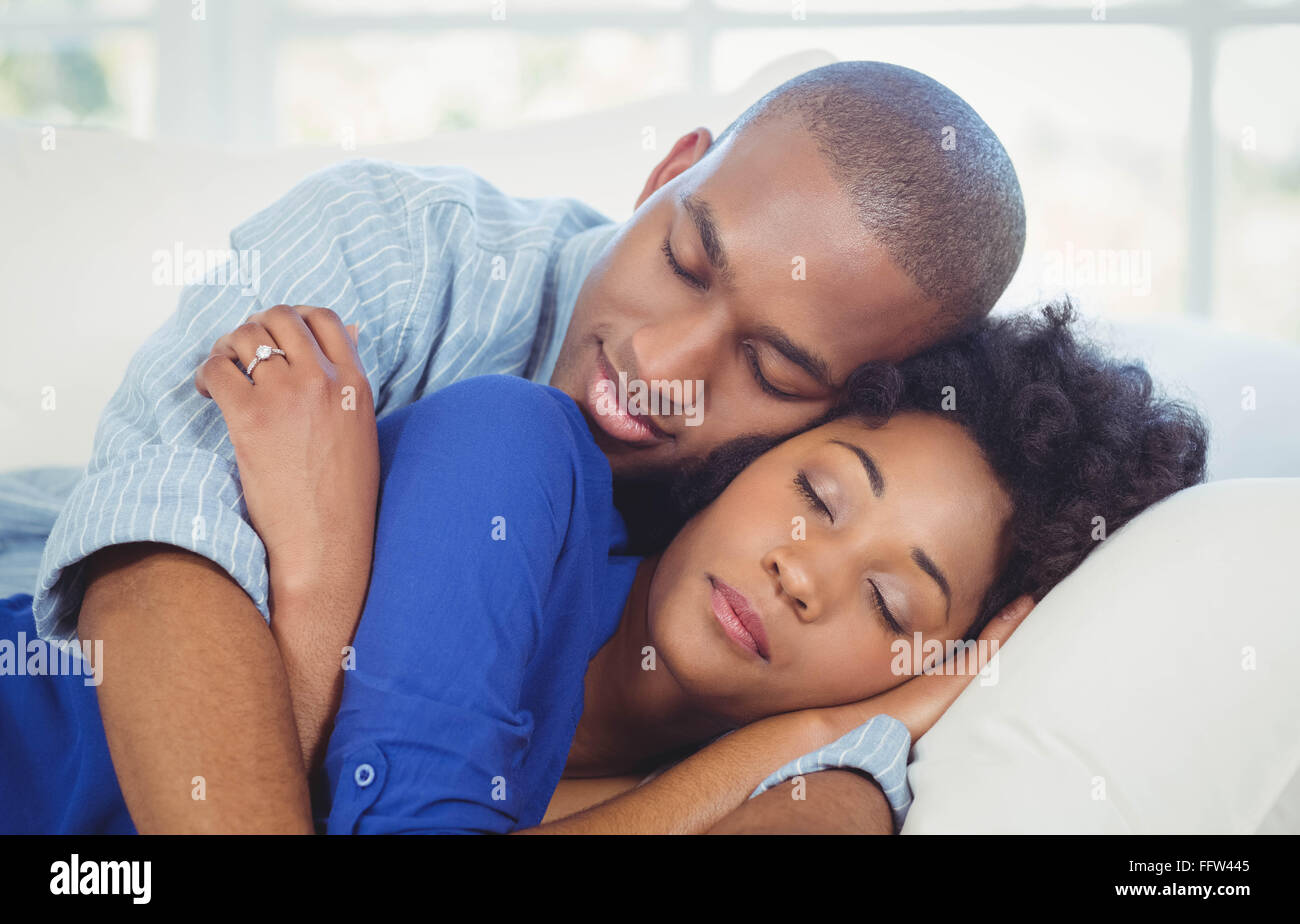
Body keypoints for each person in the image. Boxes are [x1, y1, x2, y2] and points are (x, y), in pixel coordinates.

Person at [10, 60, 1028, 832]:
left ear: (849, 406)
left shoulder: (783, 583)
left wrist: (322, 568)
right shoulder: (400, 255)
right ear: (669, 172)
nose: (659, 361)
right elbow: (153, 564)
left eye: (774, 369)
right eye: (683, 260)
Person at [0, 302, 1208, 833]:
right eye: (818, 492)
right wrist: (812, 724)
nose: (805, 572)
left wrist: (827, 743)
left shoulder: (802, 789)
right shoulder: (512, 459)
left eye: (891, 601)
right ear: (758, 452)